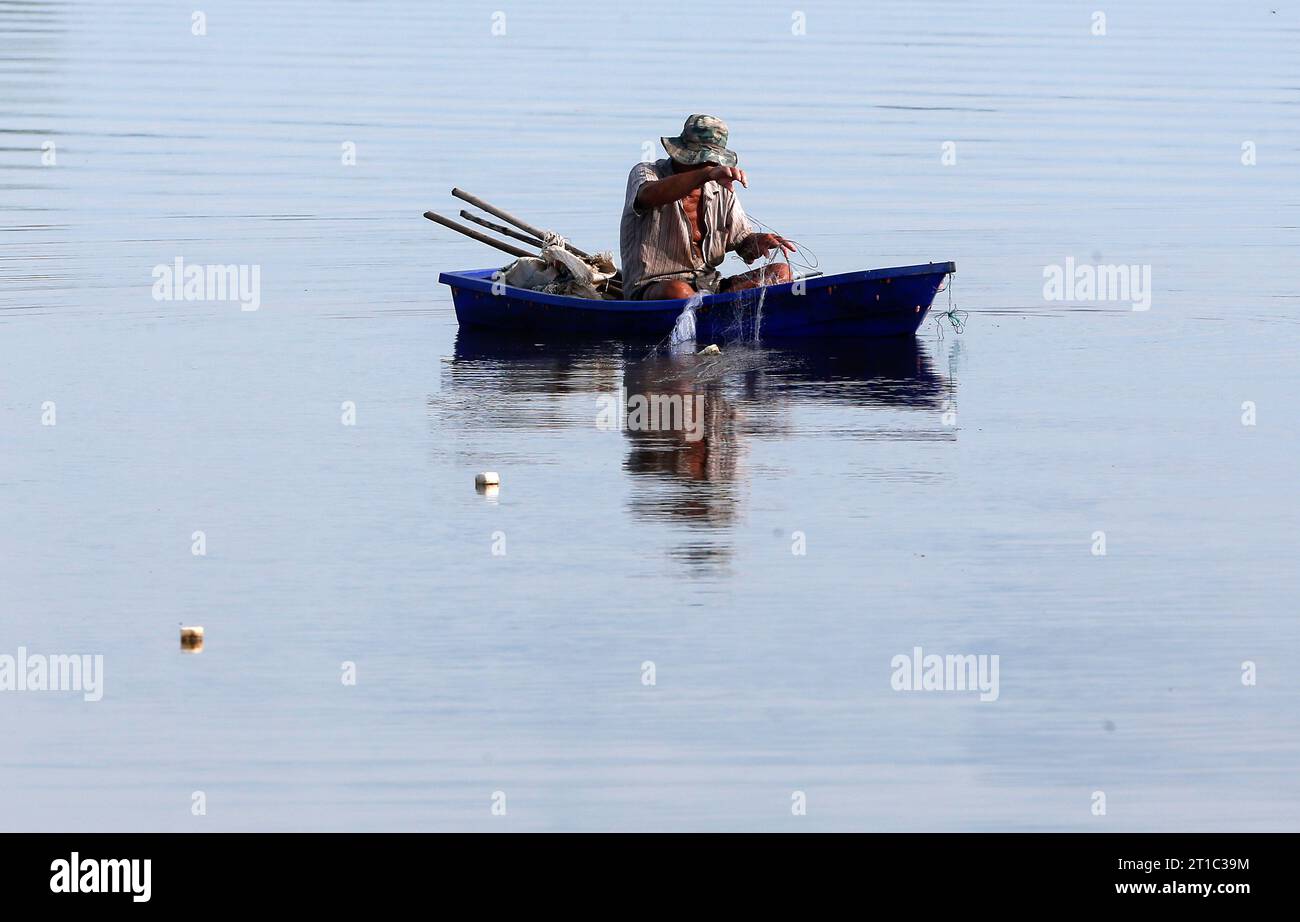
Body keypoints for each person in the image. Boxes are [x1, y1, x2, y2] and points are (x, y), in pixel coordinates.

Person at [620, 115, 796, 301]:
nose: (706, 165)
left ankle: (719, 308)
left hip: (710, 286)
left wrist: (757, 242)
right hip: (653, 287)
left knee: (781, 273)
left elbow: (743, 244)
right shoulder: (647, 172)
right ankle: (707, 308)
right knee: (679, 292)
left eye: (710, 162)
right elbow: (648, 195)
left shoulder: (721, 188)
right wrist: (705, 175)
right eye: (698, 160)